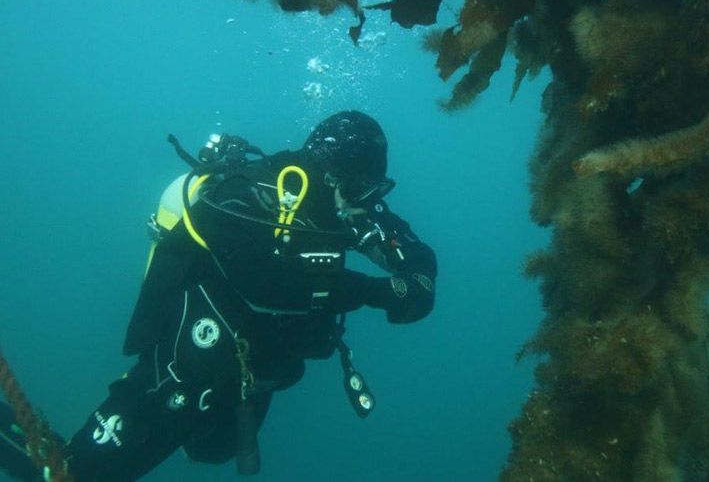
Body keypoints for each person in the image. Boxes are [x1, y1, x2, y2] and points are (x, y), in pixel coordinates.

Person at [0, 110, 437, 481]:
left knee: (212, 450)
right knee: (70, 474)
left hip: (249, 375)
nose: (367, 203)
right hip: (185, 365)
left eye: (374, 191)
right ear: (331, 173)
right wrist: (374, 292)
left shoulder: (347, 206)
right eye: (362, 189)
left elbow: (414, 253)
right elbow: (262, 283)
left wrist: (414, 279)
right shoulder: (246, 191)